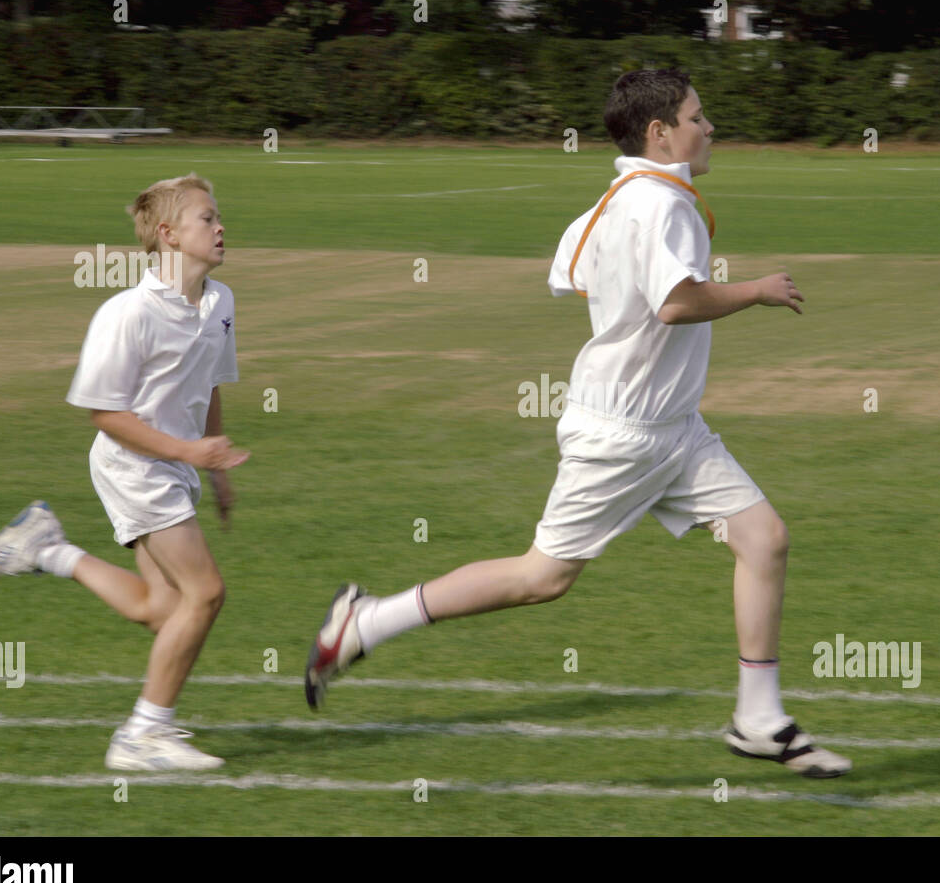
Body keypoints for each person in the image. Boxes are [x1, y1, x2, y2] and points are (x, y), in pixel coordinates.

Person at [305, 70, 850, 778]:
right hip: (623, 432)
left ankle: (759, 718)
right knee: (541, 578)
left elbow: (576, 273)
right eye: (696, 117)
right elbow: (677, 304)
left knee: (763, 538)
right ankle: (367, 622)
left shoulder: (624, 194)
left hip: (673, 426)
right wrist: (759, 290)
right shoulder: (658, 203)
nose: (708, 128)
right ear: (659, 134)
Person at [0, 173, 248, 771]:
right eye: (207, 218)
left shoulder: (221, 302)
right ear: (169, 235)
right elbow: (104, 413)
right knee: (206, 593)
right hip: (136, 466)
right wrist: (187, 454)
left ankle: (45, 549)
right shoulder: (127, 313)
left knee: (160, 608)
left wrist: (215, 463)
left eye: (219, 216)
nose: (221, 227)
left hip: (175, 466)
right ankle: (143, 735)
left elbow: (211, 384)